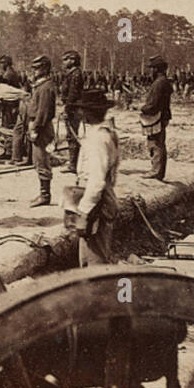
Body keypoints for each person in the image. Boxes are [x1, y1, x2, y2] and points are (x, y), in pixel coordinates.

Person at [72, 89, 120, 266]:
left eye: (83, 109)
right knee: (89, 255)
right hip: (98, 197)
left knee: (93, 260)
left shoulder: (98, 138)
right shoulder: (105, 133)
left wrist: (84, 210)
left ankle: (96, 293)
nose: (80, 113)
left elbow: (97, 179)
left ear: (88, 112)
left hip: (95, 202)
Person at [27, 55, 58, 207]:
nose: (34, 71)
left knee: (42, 161)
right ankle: (43, 193)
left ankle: (45, 195)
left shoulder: (46, 87)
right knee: (38, 161)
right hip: (38, 125)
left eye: (38, 68)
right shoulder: (41, 85)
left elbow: (43, 112)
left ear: (45, 68)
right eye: (33, 68)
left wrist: (36, 128)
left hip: (42, 127)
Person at [140, 54, 172, 181]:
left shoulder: (159, 83)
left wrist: (143, 109)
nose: (150, 71)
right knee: (157, 142)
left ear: (156, 69)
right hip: (161, 115)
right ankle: (157, 170)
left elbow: (153, 104)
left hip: (157, 116)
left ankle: (156, 171)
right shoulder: (163, 82)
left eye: (152, 68)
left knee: (156, 143)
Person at [59, 50, 85, 173]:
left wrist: (67, 108)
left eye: (66, 59)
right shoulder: (72, 73)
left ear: (73, 60)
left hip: (73, 108)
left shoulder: (75, 74)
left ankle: (74, 165)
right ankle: (73, 163)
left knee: (72, 136)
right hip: (72, 107)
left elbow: (73, 94)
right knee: (71, 136)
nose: (63, 62)